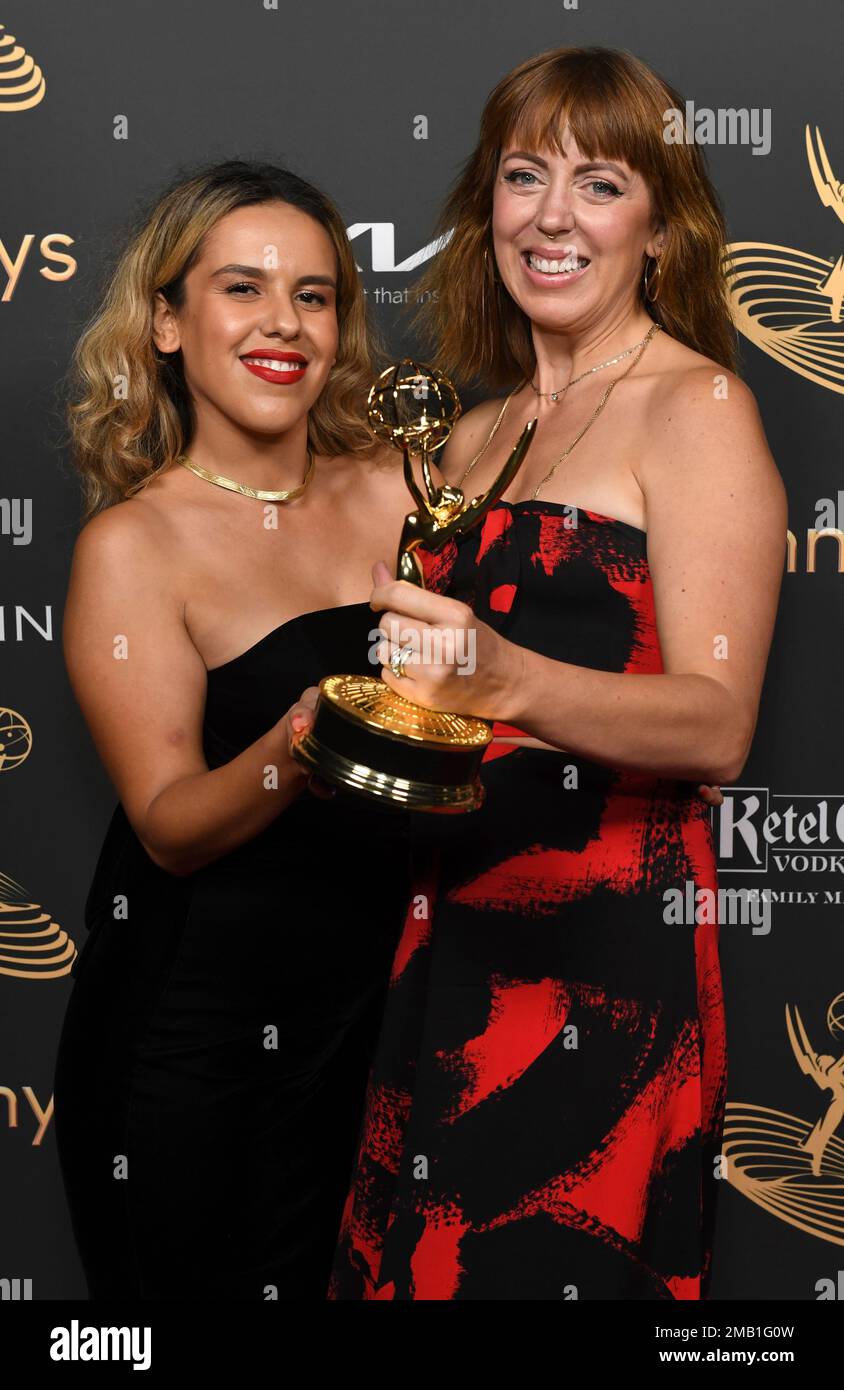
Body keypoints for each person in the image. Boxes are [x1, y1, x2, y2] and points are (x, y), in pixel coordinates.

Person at [329, 46, 786, 1300]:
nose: (551, 216)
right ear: (487, 208)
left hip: (601, 967)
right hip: (450, 941)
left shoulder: (696, 409)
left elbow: (717, 726)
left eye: (599, 183)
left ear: (662, 226)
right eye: (524, 175)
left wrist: (502, 677)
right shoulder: (472, 434)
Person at [53, 159, 431, 1299]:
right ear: (165, 321)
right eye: (242, 289)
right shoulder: (135, 545)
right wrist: (296, 741)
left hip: (378, 1031)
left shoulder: (406, 488)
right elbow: (167, 826)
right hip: (194, 1049)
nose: (284, 324)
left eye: (314, 295)